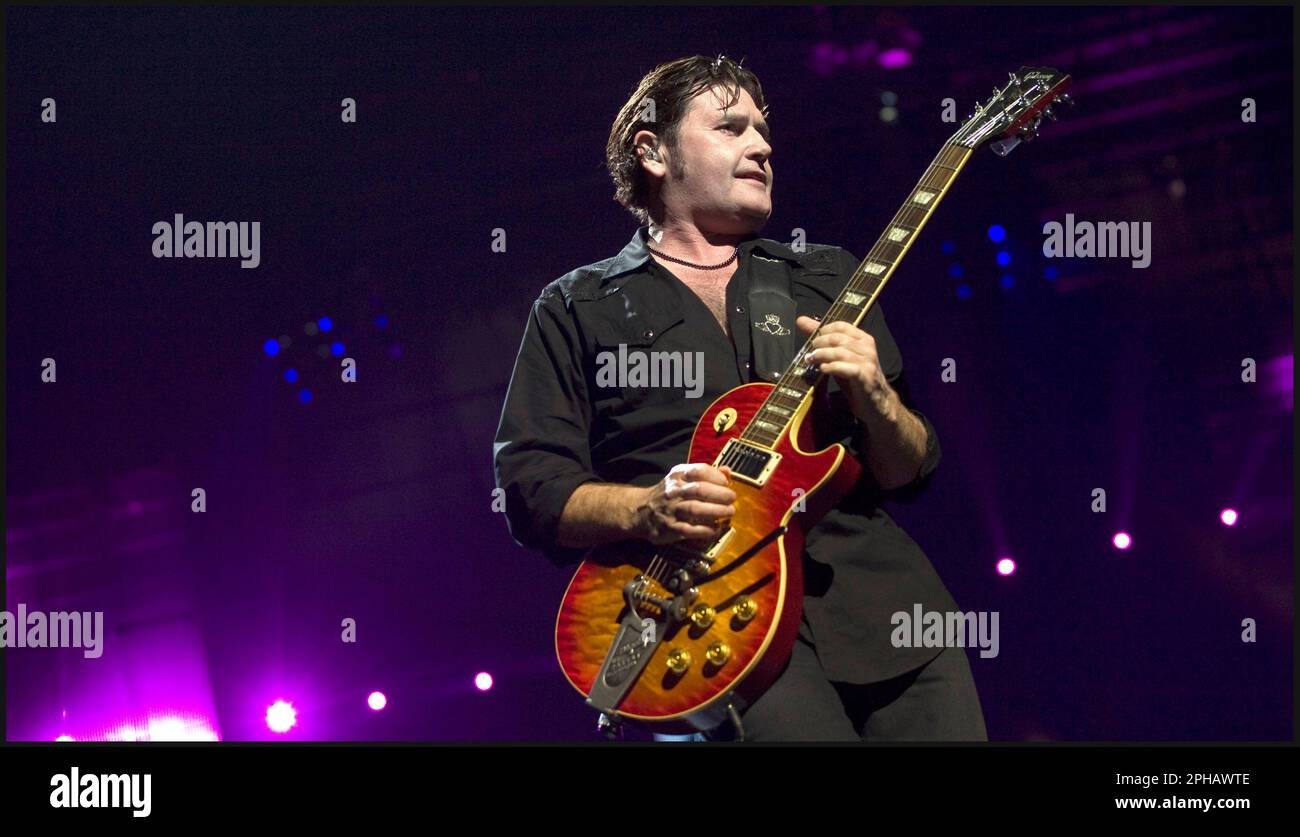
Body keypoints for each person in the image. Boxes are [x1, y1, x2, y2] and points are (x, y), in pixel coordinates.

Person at [493, 54, 986, 742]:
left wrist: (876, 395)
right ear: (653, 152)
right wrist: (646, 507)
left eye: (763, 129)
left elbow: (910, 469)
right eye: (731, 127)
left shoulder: (827, 277)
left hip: (887, 615)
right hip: (711, 631)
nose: (761, 144)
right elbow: (532, 489)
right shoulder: (577, 306)